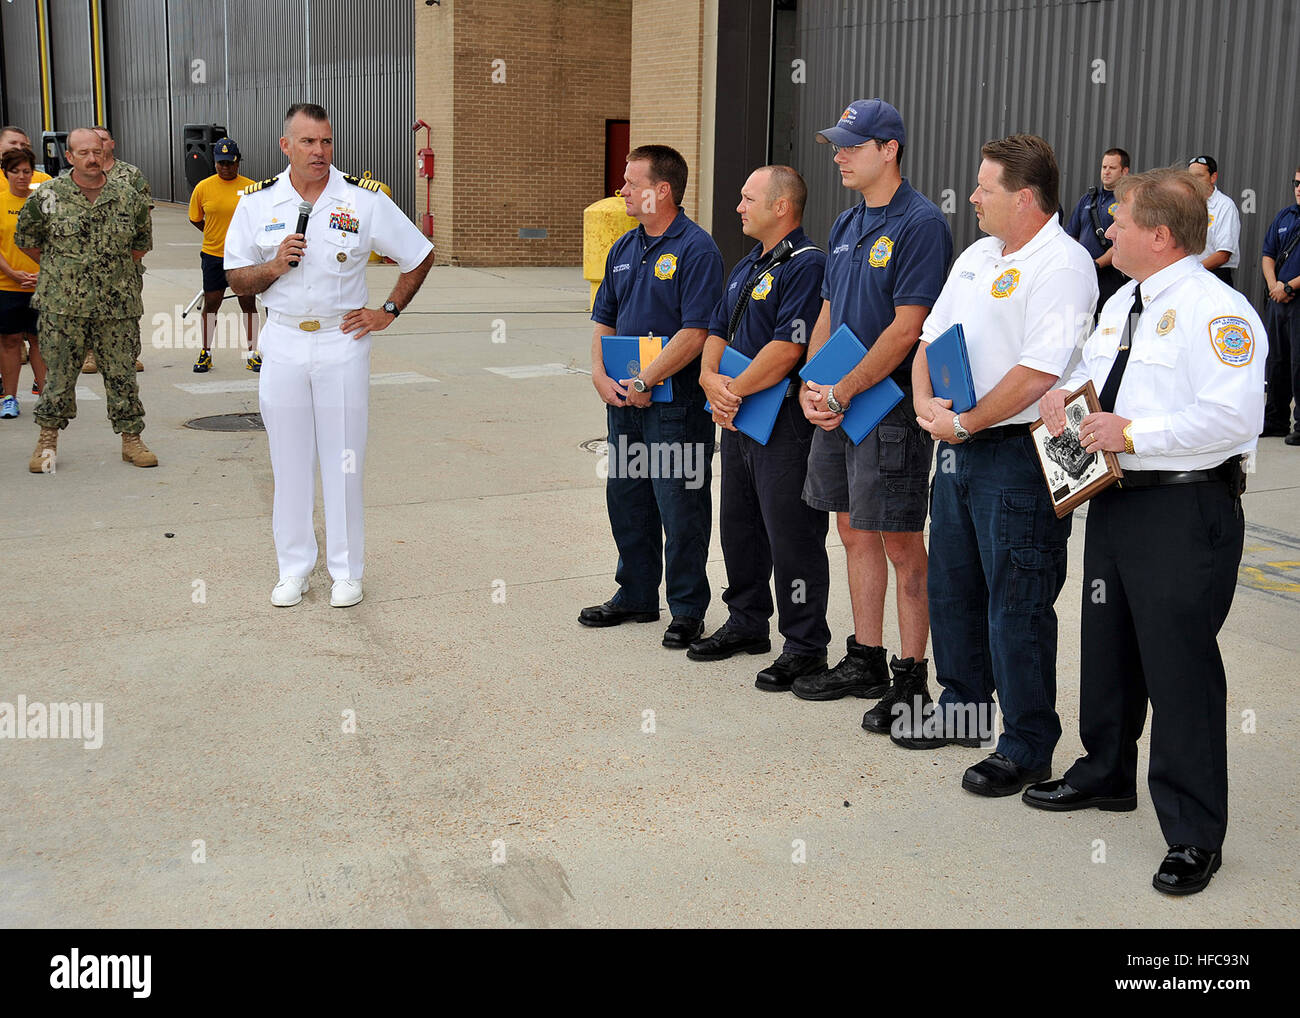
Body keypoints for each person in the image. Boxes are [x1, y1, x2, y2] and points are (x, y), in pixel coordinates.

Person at [1025, 167, 1265, 896]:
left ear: (1159, 236)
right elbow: (1099, 376)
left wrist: (1134, 431)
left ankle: (1194, 833)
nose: (1106, 230)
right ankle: (1106, 772)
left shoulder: (1218, 312)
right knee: (1108, 647)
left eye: (1119, 222)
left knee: (1179, 667)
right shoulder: (1125, 300)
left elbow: (1233, 419)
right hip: (1118, 499)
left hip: (1184, 510)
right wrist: (1062, 400)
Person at [903, 135, 1098, 800]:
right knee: (952, 585)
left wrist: (968, 421)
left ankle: (1026, 745)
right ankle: (961, 708)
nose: (974, 197)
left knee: (1017, 600)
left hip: (1020, 453)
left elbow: (1040, 370)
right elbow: (929, 339)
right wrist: (927, 403)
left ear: (1026, 197)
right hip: (958, 446)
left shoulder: (1064, 265)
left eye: (985, 187)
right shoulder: (979, 255)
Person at [224, 103, 435, 609]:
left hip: (343, 341)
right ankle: (293, 569)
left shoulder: (361, 200)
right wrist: (274, 266)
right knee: (288, 460)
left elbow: (419, 253)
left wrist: (388, 309)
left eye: (326, 142)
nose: (319, 152)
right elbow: (234, 276)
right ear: (285, 146)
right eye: (308, 142)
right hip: (285, 340)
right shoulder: (257, 203)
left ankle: (346, 571)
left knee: (344, 460)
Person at [791, 98, 953, 728]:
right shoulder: (848, 222)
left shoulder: (920, 224)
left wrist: (846, 388)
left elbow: (909, 327)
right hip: (842, 400)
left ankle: (912, 679)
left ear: (890, 149)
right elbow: (829, 312)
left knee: (900, 539)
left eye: (852, 145)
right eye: (837, 144)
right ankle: (866, 656)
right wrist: (815, 382)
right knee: (853, 529)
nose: (839, 155)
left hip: (886, 407)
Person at [689, 165, 830, 690]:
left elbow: (789, 347)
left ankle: (805, 644)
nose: (738, 207)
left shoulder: (806, 264)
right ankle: (747, 622)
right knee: (740, 525)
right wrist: (709, 380)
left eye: (749, 199)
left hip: (785, 420)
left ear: (781, 207)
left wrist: (731, 389)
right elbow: (717, 329)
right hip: (739, 414)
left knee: (791, 533)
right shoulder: (749, 262)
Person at [581, 144, 723, 649]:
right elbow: (603, 319)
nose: (620, 189)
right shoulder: (624, 247)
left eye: (629, 181)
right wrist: (600, 375)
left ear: (661, 190)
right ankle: (636, 595)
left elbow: (697, 331)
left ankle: (687, 610)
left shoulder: (696, 249)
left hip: (675, 407)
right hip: (623, 403)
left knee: (680, 507)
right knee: (628, 499)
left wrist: (647, 381)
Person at [15, 128, 155, 471]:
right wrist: (62, 271)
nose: (91, 158)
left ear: (104, 151)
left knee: (122, 375)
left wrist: (111, 273)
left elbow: (140, 245)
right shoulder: (48, 195)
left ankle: (131, 440)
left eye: (96, 151)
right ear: (69, 157)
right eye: (83, 153)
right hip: (62, 307)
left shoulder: (127, 196)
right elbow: (27, 240)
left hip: (117, 307)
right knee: (58, 377)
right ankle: (47, 443)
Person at [187, 137, 259, 372]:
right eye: (221, 163)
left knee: (248, 303)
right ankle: (205, 353)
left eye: (230, 163)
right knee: (212, 304)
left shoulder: (252, 188)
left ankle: (252, 352)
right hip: (214, 255)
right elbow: (196, 218)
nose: (225, 167)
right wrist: (215, 234)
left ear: (238, 162)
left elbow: (260, 221)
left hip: (243, 258)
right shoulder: (203, 187)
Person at [83, 125, 149, 375]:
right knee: (89, 307)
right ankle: (91, 354)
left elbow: (145, 215)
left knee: (128, 308)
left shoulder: (131, 175)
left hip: (125, 258)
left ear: (112, 144)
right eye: (93, 141)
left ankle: (129, 354)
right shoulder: (79, 175)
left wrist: (135, 253)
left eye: (103, 139)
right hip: (88, 259)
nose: (98, 144)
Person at [1, 147, 46, 416]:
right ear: (5, 173)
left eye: (26, 171)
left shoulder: (42, 203)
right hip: (6, 285)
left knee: (39, 339)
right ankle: (9, 397)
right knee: (10, 341)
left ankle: (45, 393)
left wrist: (44, 272)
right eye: (15, 171)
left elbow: (54, 243)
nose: (21, 176)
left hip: (40, 285)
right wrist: (12, 273)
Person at [1260, 165, 1300, 443]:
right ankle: (1275, 421)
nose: (1299, 188)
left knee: (1299, 363)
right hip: (1278, 301)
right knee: (1276, 361)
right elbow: (1267, 254)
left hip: (1297, 300)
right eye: (1296, 183)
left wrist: (1289, 286)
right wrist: (1275, 284)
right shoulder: (1285, 216)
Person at [1065, 147, 1130, 313]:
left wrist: (1095, 264)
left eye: (1112, 168)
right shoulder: (1088, 198)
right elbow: (1072, 235)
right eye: (1104, 167)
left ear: (1124, 171)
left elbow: (1123, 242)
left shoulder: (1127, 201)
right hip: (1084, 276)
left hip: (1111, 277)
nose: (1106, 172)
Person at [1187, 155, 1240, 287]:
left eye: (1199, 176)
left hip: (1215, 277)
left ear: (1213, 177)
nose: (1194, 181)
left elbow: (1223, 254)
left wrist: (1192, 271)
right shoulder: (1185, 205)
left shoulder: (1225, 205)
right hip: (1188, 277)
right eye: (1190, 177)